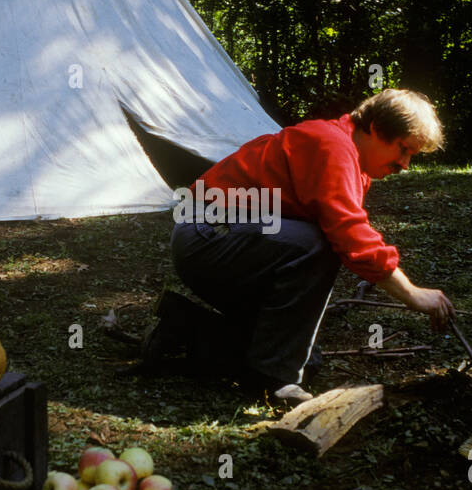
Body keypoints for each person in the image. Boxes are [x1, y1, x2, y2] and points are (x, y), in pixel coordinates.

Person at [156, 87, 455, 403]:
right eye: (403, 150)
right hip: (204, 234)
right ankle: (272, 378)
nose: (405, 164)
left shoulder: (347, 152)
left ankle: (182, 329)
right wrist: (411, 294)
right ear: (377, 129)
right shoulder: (333, 147)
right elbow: (350, 235)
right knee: (318, 245)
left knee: (307, 359)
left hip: (221, 237)